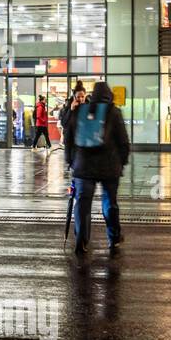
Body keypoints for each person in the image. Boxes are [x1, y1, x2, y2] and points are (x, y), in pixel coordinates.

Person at [63, 81, 131, 256]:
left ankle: (81, 240)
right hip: (109, 167)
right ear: (109, 96)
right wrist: (121, 163)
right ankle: (113, 237)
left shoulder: (80, 111)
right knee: (109, 202)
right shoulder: (114, 112)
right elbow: (123, 141)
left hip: (83, 166)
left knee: (82, 203)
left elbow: (68, 137)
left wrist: (70, 160)